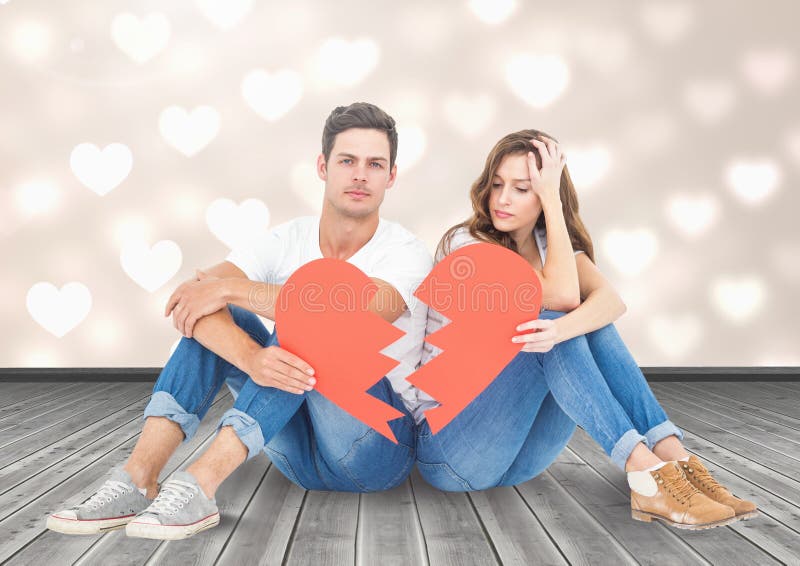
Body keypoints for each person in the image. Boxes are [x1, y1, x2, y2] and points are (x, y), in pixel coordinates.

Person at [46, 102, 433, 540]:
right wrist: (251, 357)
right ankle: (137, 477)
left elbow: (356, 309)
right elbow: (194, 300)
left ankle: (200, 485)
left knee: (315, 313)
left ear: (391, 176)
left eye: (374, 164)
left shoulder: (407, 252)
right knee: (221, 315)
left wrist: (229, 289)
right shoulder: (286, 239)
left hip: (375, 448)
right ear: (323, 167)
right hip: (293, 454)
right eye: (348, 161)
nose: (360, 175)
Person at [411, 129, 757, 530]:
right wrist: (553, 206)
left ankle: (675, 456)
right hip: (449, 450)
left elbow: (611, 304)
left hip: (521, 459)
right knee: (556, 325)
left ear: (546, 195)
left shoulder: (549, 246)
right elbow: (561, 298)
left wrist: (553, 212)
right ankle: (645, 471)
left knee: (583, 324)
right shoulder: (468, 246)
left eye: (523, 188)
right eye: (497, 185)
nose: (502, 199)